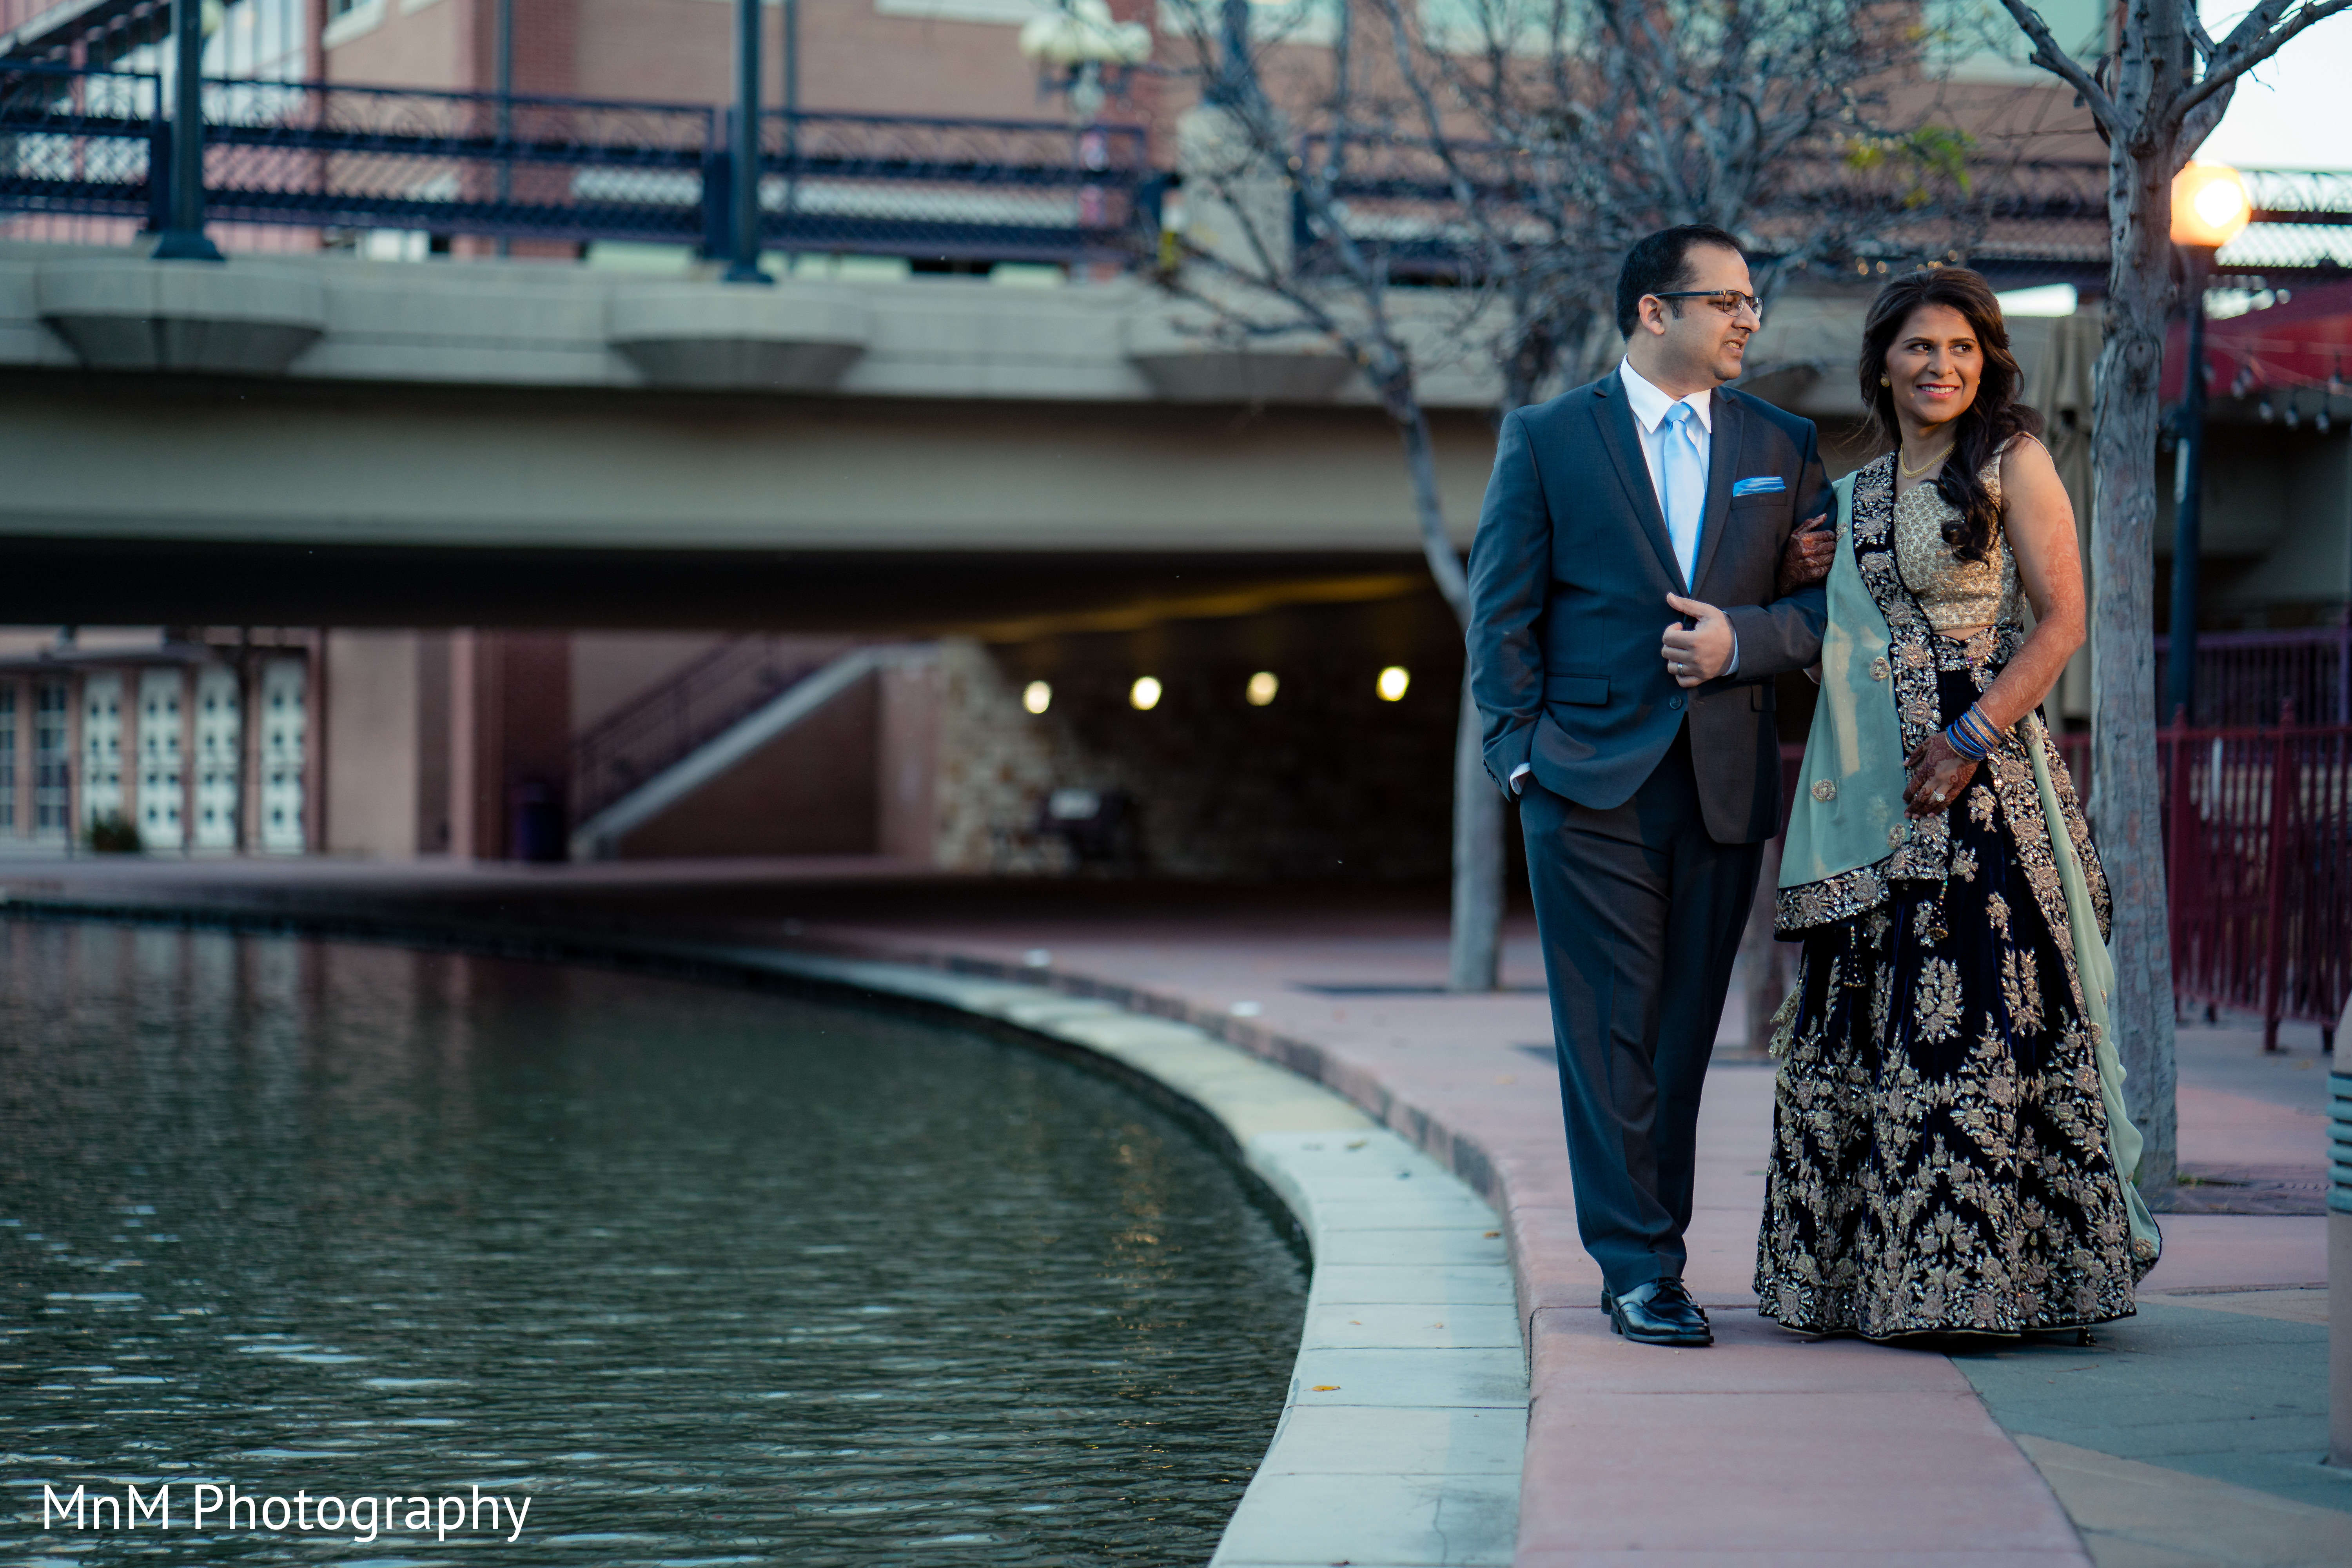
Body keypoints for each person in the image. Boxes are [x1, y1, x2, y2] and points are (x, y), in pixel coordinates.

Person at [1756, 267, 2161, 1340]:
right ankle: (1868, 1280)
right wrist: (1809, 573)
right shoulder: (1853, 500)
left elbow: (2065, 619)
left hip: (1981, 780)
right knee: (1871, 1015)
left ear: (1987, 363)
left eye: (1962, 350)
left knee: (1985, 1008)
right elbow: (1833, 653)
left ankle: (2007, 1281)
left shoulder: (2011, 460)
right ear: (1881, 366)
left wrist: (1972, 737)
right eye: (1919, 350)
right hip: (1872, 794)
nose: (1941, 368)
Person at [1465, 225, 1831, 1348]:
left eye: (1752, 302)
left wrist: (1746, 642)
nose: (1747, 321)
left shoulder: (1785, 441)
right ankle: (1639, 1269)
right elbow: (1502, 612)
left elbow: (1824, 618)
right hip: (1585, 785)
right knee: (1608, 1033)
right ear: (1653, 312)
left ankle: (1653, 1248)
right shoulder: (1547, 438)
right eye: (1725, 301)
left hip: (1722, 785)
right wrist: (1519, 758)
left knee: (1682, 1034)